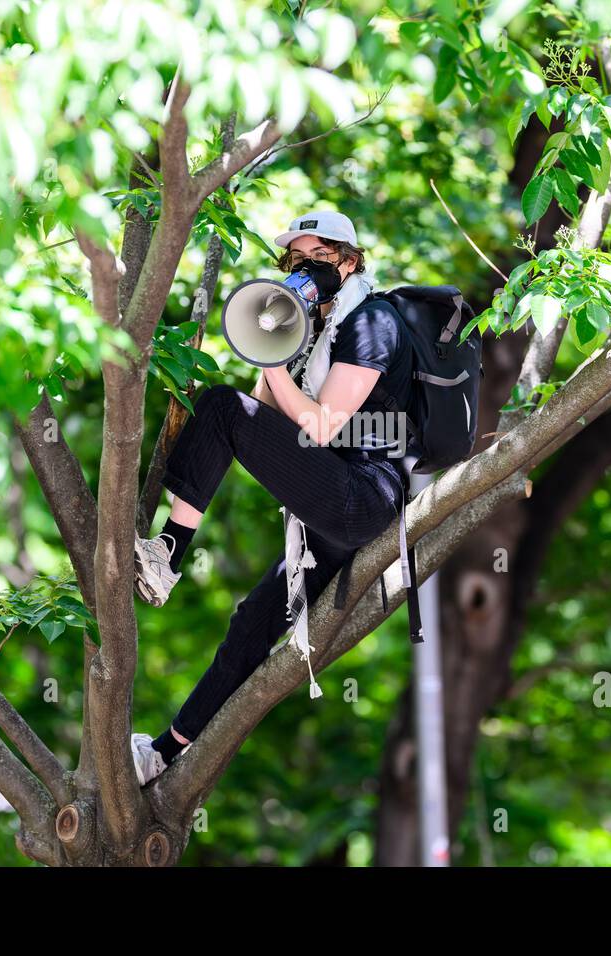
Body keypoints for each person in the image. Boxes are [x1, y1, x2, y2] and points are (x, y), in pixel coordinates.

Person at [127, 209, 414, 785]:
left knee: (219, 408)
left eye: (318, 260)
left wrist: (275, 362)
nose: (304, 270)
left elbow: (324, 426)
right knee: (252, 622)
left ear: (350, 262)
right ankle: (166, 752)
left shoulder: (373, 322)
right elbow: (265, 407)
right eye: (294, 261)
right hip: (328, 504)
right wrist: (279, 334)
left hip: (364, 494)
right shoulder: (316, 330)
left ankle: (169, 554)